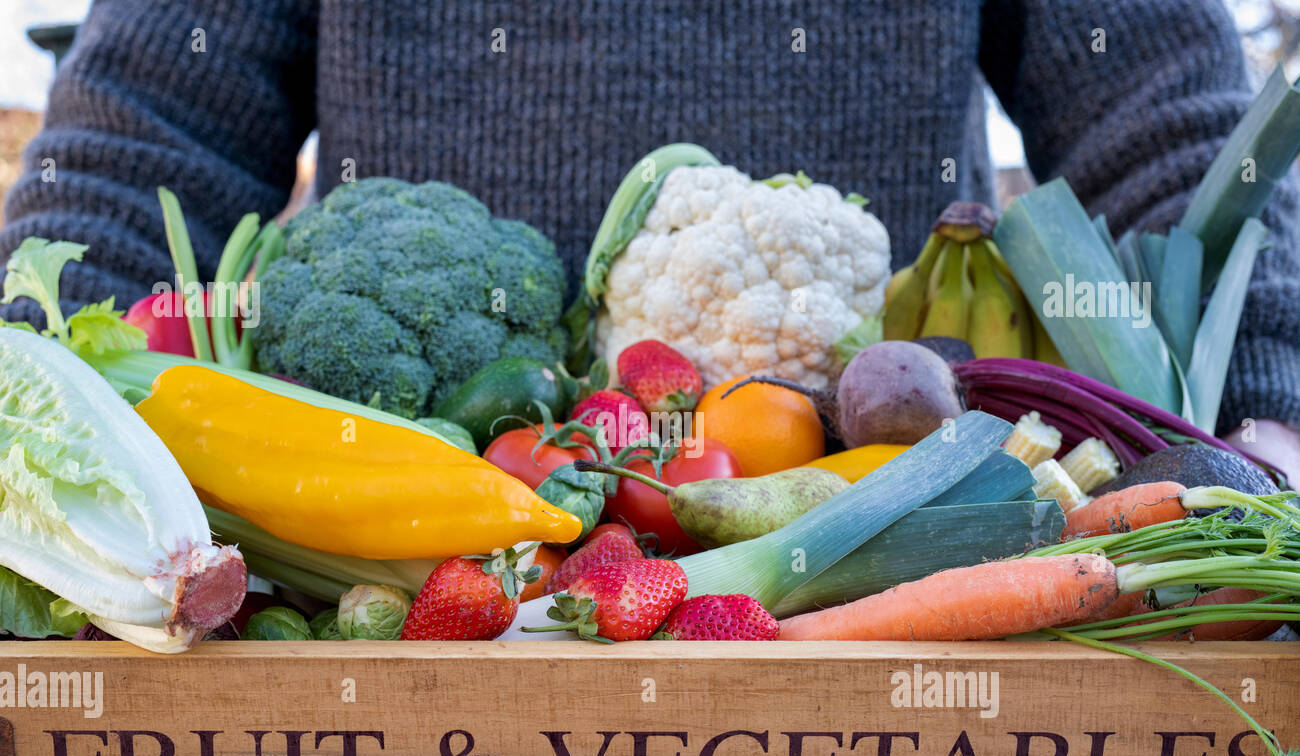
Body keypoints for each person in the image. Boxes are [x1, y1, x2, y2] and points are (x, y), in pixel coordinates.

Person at [3, 0, 1298, 481]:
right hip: (418, 518)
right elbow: (141, 138)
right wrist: (24, 408)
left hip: (887, 516)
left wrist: (1266, 410)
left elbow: (1172, 121)